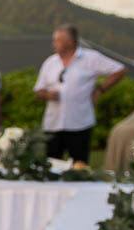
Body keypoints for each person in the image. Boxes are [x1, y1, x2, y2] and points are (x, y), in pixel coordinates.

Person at [33, 24, 124, 162]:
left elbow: (119, 70)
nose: (54, 44)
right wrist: (47, 95)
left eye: (57, 40)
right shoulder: (50, 62)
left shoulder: (91, 58)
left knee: (79, 168)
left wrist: (100, 89)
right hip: (53, 124)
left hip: (80, 123)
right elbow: (38, 90)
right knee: (51, 166)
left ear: (70, 42)